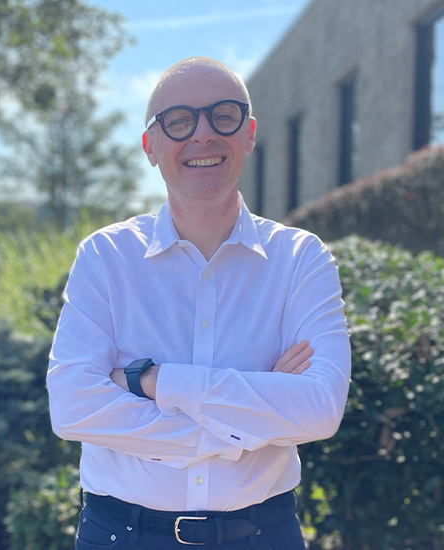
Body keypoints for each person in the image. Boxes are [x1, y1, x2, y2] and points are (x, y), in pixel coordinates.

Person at [46, 57, 351, 549]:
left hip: (263, 535)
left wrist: (155, 381)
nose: (203, 135)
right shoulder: (106, 256)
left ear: (248, 134)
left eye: (223, 115)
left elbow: (319, 408)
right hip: (122, 536)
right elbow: (74, 408)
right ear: (151, 146)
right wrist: (251, 418)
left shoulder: (301, 258)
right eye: (179, 121)